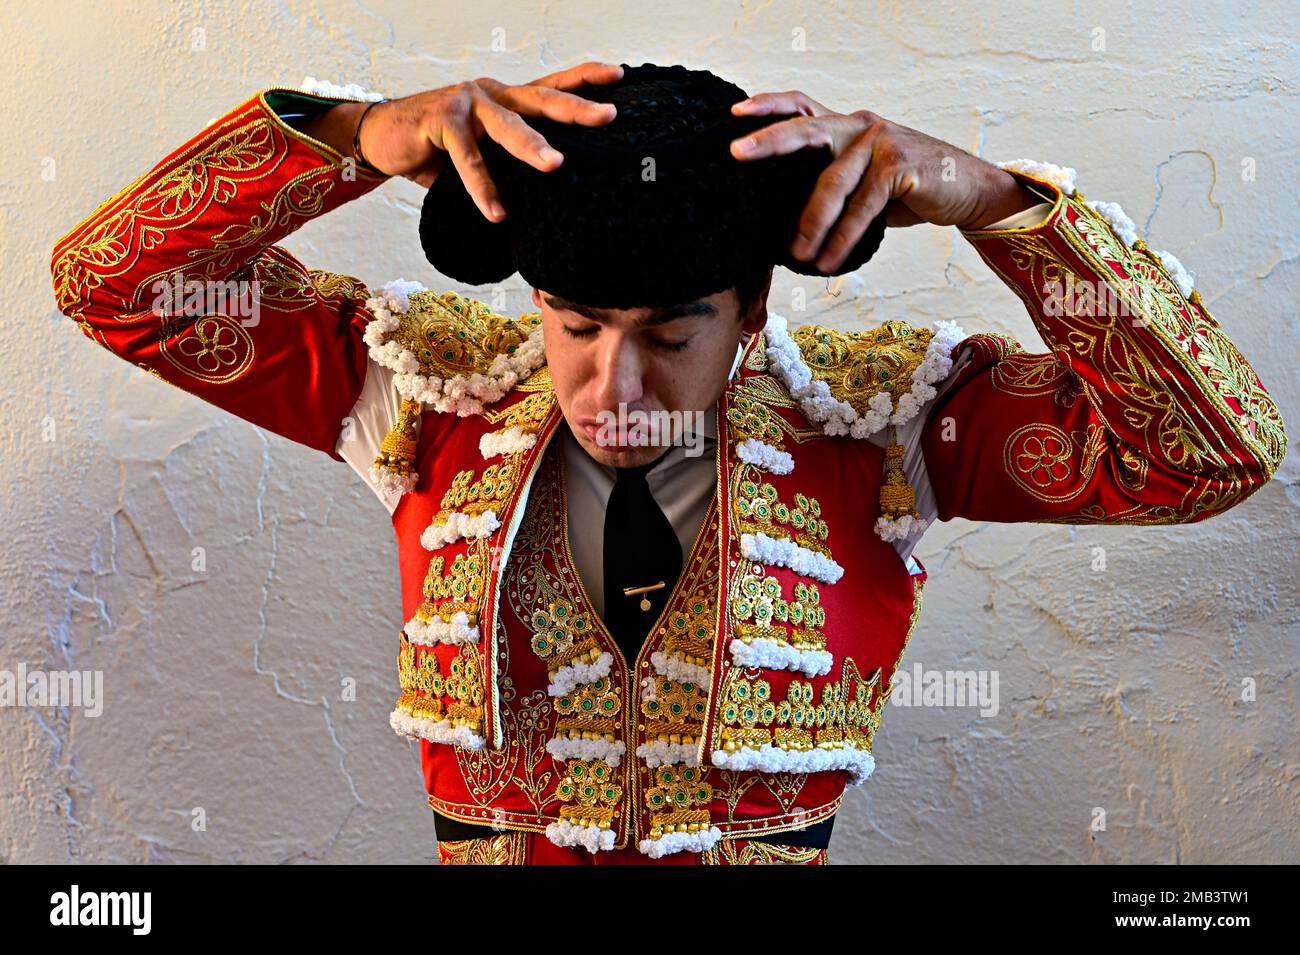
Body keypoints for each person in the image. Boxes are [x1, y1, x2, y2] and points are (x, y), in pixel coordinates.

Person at [50, 61, 1285, 865]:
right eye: (574, 325)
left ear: (752, 313)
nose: (610, 386)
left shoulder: (871, 418)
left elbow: (1207, 455)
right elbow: (109, 281)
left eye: (668, 336)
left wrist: (1000, 203)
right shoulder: (432, 390)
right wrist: (351, 134)